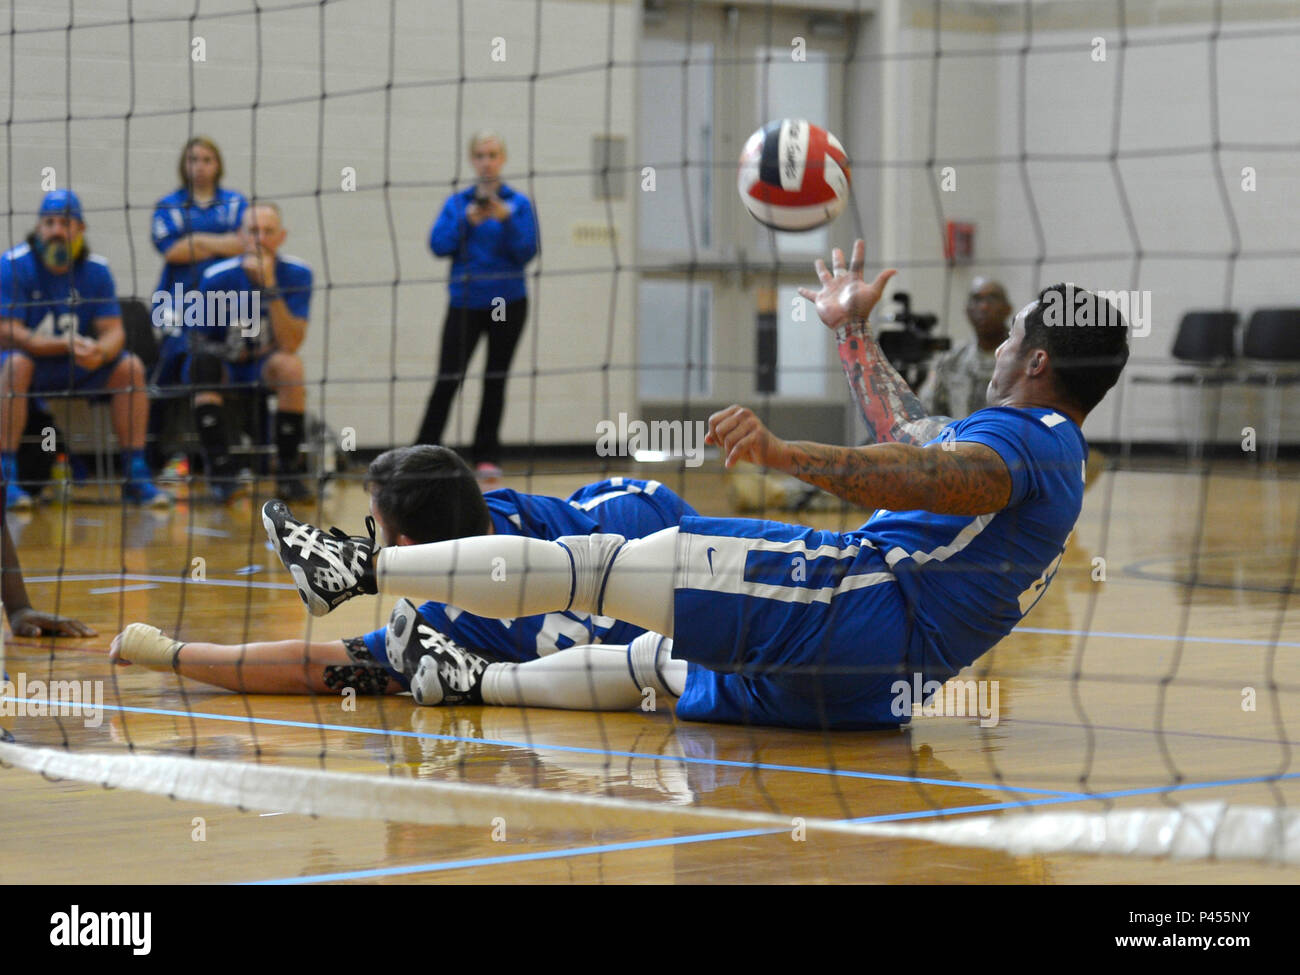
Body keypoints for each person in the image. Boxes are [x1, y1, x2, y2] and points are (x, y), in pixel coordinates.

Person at [261, 240, 1130, 730]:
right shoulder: (1046, 447)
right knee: (655, 665)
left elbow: (931, 476)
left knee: (607, 559)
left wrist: (785, 453)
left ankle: (361, 572)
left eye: (1015, 335)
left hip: (860, 604)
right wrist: (853, 334)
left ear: (1039, 361)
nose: (1002, 344)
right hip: (870, 691)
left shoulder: (1034, 443)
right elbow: (911, 434)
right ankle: (467, 682)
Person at [109, 446, 695, 694]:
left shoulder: (438, 629)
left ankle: (361, 571)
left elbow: (309, 668)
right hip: (725, 657)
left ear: (410, 546)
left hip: (653, 683)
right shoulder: (632, 505)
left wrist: (171, 653)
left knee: (477, 684)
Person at [0, 190, 169, 508]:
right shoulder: (13, 265)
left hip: (76, 364)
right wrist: (49, 344)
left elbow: (113, 331)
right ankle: (5, 477)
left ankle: (136, 474)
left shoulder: (96, 270)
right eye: (48, 223)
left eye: (64, 223)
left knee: (129, 367)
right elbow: (6, 330)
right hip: (29, 364)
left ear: (79, 230)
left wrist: (101, 352)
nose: (55, 230)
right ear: (39, 229)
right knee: (16, 364)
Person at [417, 130, 538, 484]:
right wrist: (466, 223)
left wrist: (506, 219)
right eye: (481, 155)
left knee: (494, 379)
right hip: (466, 304)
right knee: (448, 378)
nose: (487, 161)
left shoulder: (518, 204)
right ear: (473, 160)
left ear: (502, 159)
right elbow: (438, 245)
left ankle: (486, 455)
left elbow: (527, 251)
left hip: (508, 303)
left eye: (493, 154)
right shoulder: (458, 204)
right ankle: (423, 451)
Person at [185, 201, 312, 502]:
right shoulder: (217, 278)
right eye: (253, 231)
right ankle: (222, 473)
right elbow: (198, 341)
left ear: (281, 237)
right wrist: (231, 351)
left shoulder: (297, 274)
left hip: (263, 364)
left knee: (291, 367)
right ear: (240, 236)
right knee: (202, 366)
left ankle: (287, 473)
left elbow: (291, 343)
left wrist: (269, 286)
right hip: (226, 363)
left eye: (268, 232)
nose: (260, 239)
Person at [149, 137, 248, 472]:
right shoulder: (169, 205)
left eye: (207, 159)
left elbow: (244, 244)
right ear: (184, 165)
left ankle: (247, 452)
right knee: (170, 368)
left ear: (217, 164)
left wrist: (196, 240)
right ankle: (154, 454)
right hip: (179, 303)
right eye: (193, 159)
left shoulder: (236, 203)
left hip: (230, 303)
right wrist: (222, 243)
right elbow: (173, 251)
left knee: (239, 360)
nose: (200, 165)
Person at [916, 277, 1012, 420]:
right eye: (976, 300)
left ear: (1007, 309)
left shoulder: (1025, 359)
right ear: (967, 310)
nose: (984, 307)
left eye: (992, 299)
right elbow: (928, 409)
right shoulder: (951, 360)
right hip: (960, 440)